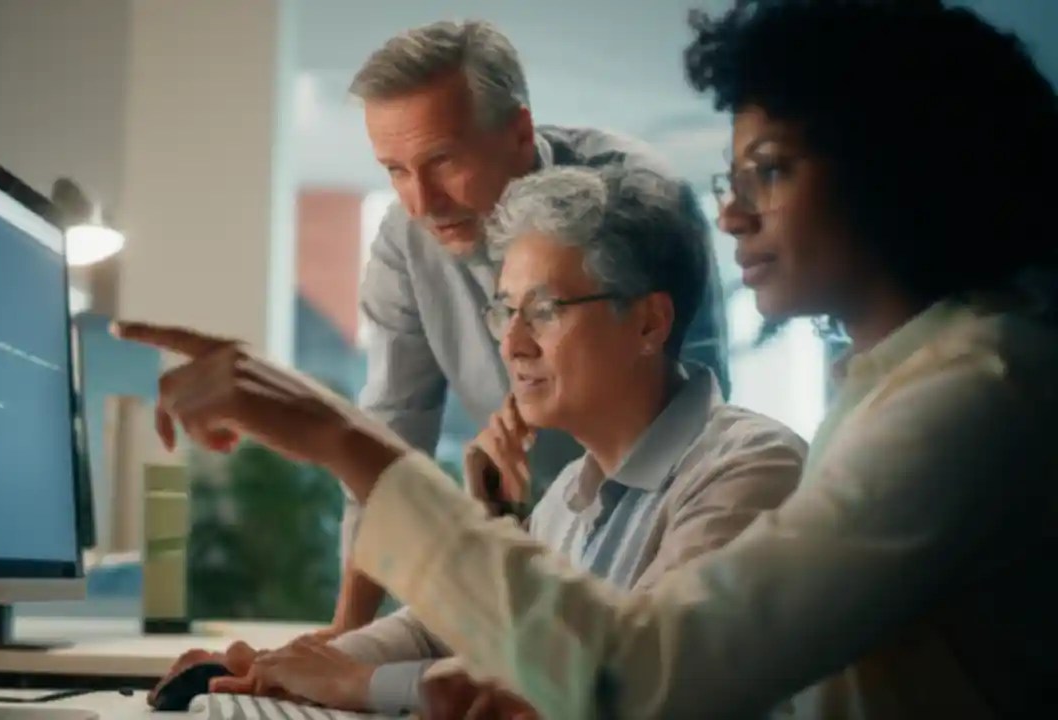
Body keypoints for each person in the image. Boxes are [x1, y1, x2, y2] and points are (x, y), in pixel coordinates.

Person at [118, 1, 1058, 717]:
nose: (732, 214)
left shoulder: (974, 396)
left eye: (769, 170)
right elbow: (533, 646)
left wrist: (338, 439)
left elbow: (637, 673)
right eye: (502, 309)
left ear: (893, 166)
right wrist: (333, 655)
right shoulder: (901, 386)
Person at [190, 166, 804, 715]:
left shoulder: (749, 471)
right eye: (505, 311)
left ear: (648, 322)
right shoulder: (569, 491)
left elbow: (629, 686)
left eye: (543, 310)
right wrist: (291, 671)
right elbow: (439, 630)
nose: (512, 345)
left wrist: (365, 683)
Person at [332, 19, 732, 636]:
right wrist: (344, 634)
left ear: (520, 132)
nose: (422, 203)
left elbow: (695, 406)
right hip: (524, 529)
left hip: (657, 532)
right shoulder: (405, 240)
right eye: (395, 170)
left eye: (442, 160)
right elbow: (388, 440)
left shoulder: (638, 203)